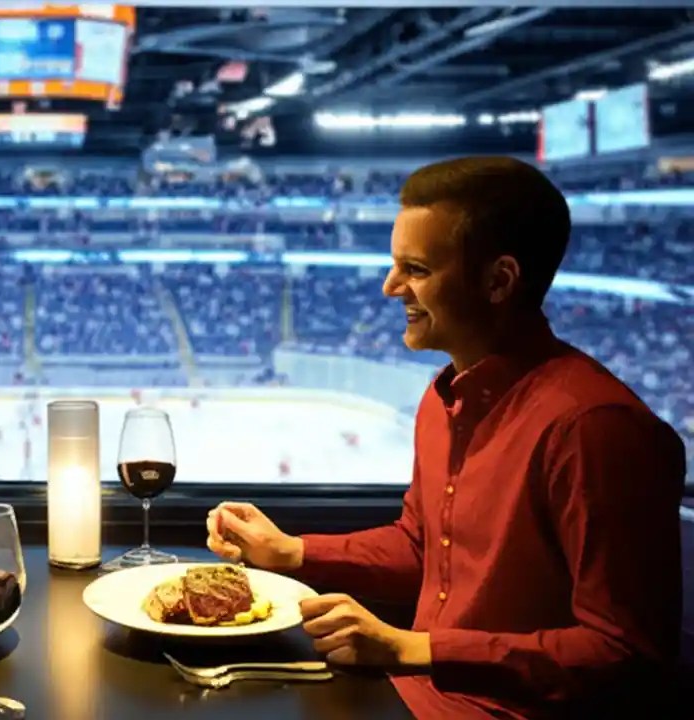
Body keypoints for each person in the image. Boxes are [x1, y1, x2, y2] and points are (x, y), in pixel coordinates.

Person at [207, 156, 685, 719]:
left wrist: (418, 647)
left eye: (416, 268)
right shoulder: (443, 400)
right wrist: (292, 552)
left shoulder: (595, 429)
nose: (390, 287)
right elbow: (423, 546)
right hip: (416, 691)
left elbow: (624, 652)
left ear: (498, 280)